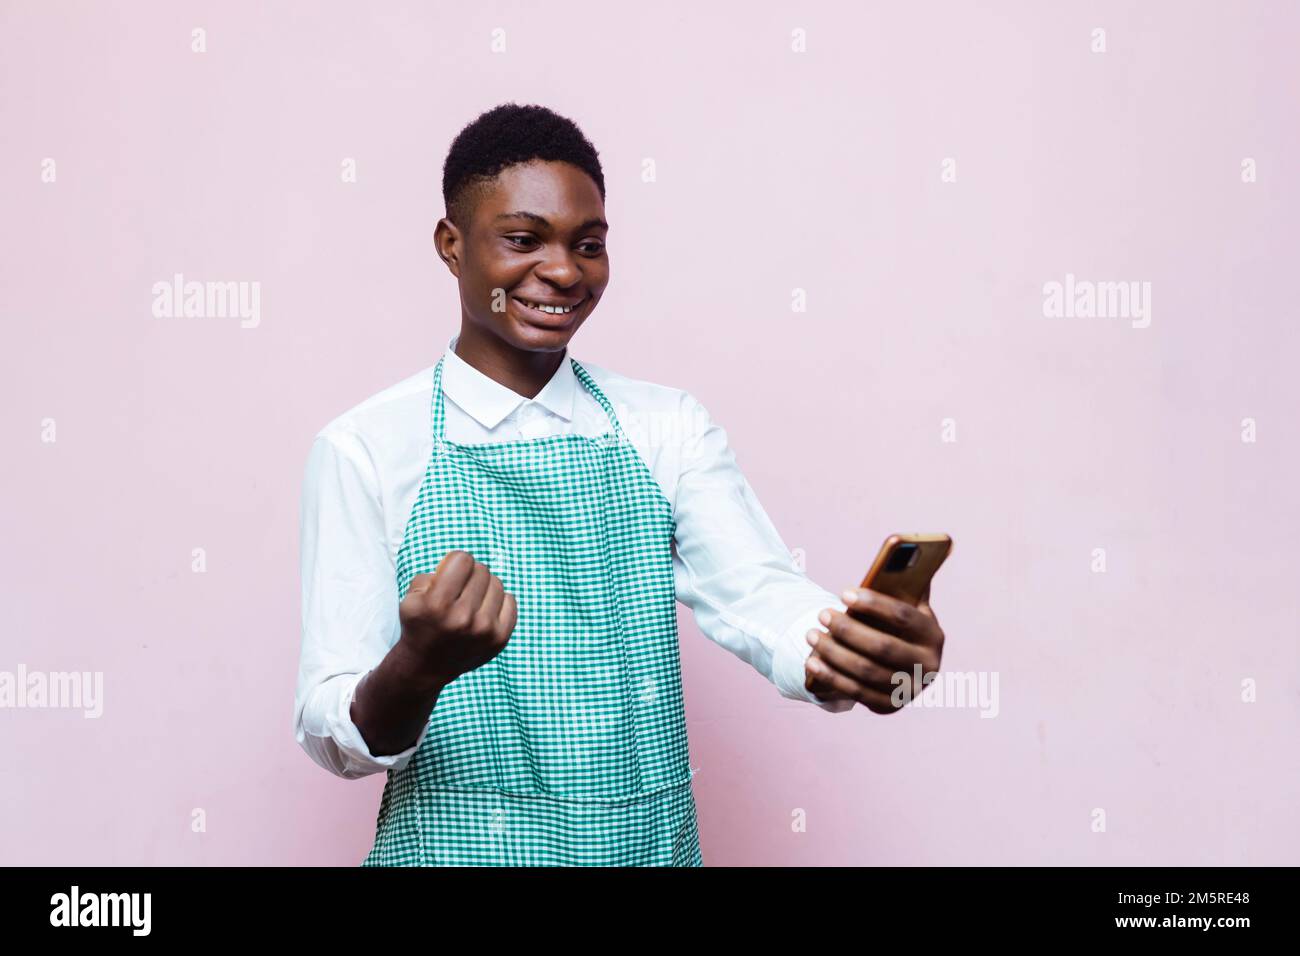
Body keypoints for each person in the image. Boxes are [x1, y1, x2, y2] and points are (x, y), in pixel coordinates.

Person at [292, 103, 946, 866]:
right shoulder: (365, 448)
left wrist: (856, 657)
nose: (564, 271)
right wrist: (418, 665)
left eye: (589, 244)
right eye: (523, 239)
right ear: (451, 245)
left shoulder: (665, 426)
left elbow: (762, 597)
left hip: (643, 849)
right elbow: (331, 734)